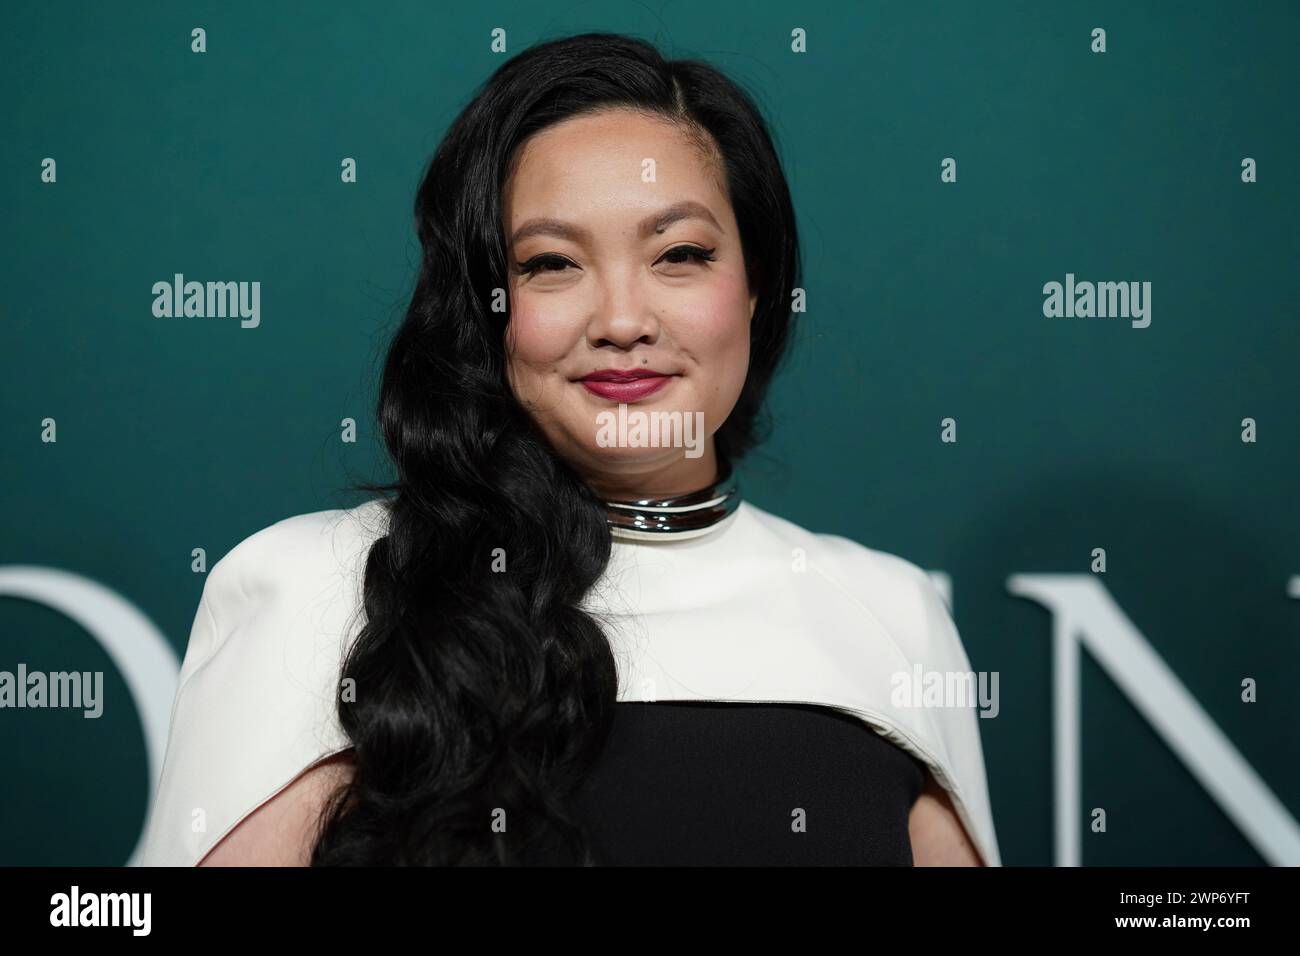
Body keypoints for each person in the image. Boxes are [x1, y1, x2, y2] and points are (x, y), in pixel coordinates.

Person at [136, 32, 1000, 867]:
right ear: (487, 307)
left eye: (680, 253)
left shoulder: (891, 615)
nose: (622, 321)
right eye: (551, 264)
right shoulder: (317, 589)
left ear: (757, 287)